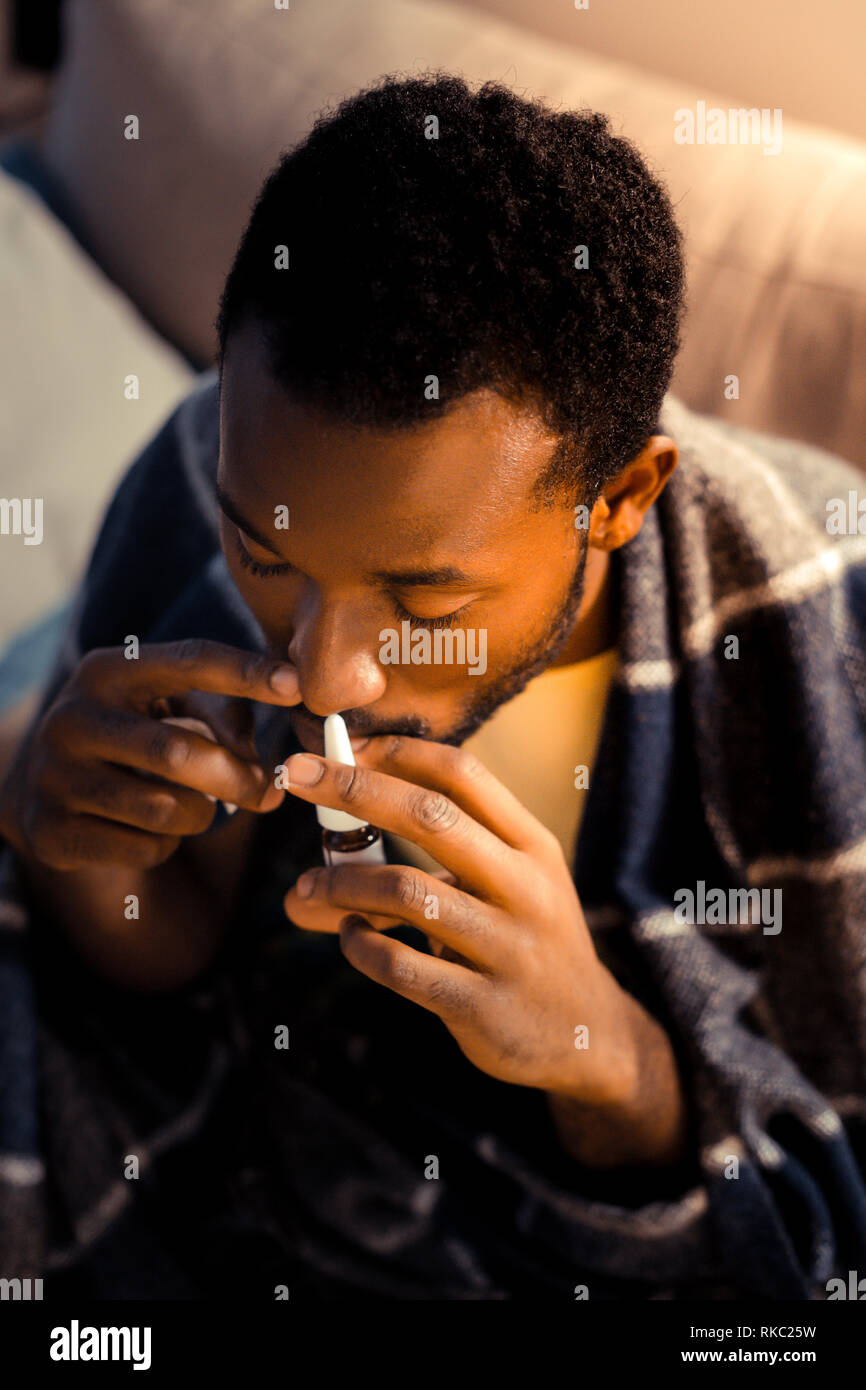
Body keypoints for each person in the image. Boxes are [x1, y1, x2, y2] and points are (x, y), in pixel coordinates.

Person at [1, 73, 864, 1301]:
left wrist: (610, 1057)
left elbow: (820, 1250)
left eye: (427, 603)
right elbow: (169, 967)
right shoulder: (207, 466)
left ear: (618, 500)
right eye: (268, 557)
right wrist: (88, 860)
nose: (322, 670)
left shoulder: (824, 632)